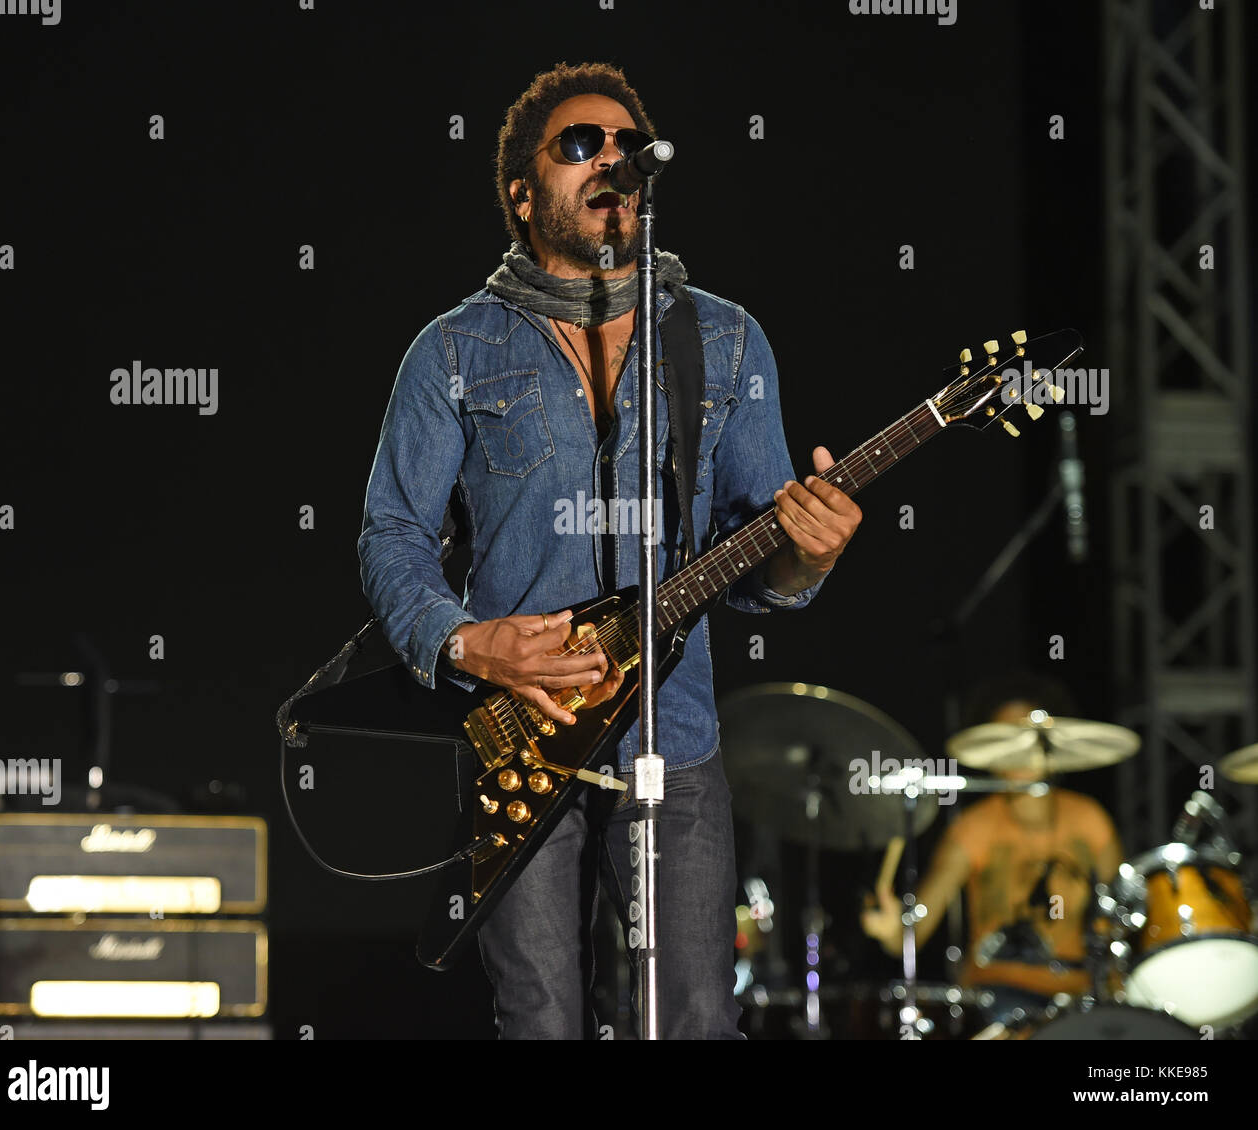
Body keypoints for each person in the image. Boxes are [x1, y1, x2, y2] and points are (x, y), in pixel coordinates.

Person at [357, 62, 861, 1039]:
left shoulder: (722, 339)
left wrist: (809, 555)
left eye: (628, 147)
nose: (610, 162)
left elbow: (760, 561)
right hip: (523, 729)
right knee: (539, 1015)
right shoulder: (453, 350)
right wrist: (466, 643)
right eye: (580, 144)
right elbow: (392, 534)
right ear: (520, 190)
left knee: (691, 1018)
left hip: (674, 737)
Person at [859, 674, 1123, 1027]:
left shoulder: (1089, 818)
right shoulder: (974, 827)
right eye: (1005, 740)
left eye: (1029, 740)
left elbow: (1124, 914)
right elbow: (914, 930)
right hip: (998, 998)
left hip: (1081, 997)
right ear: (990, 754)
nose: (1019, 754)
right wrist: (893, 931)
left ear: (1051, 749)